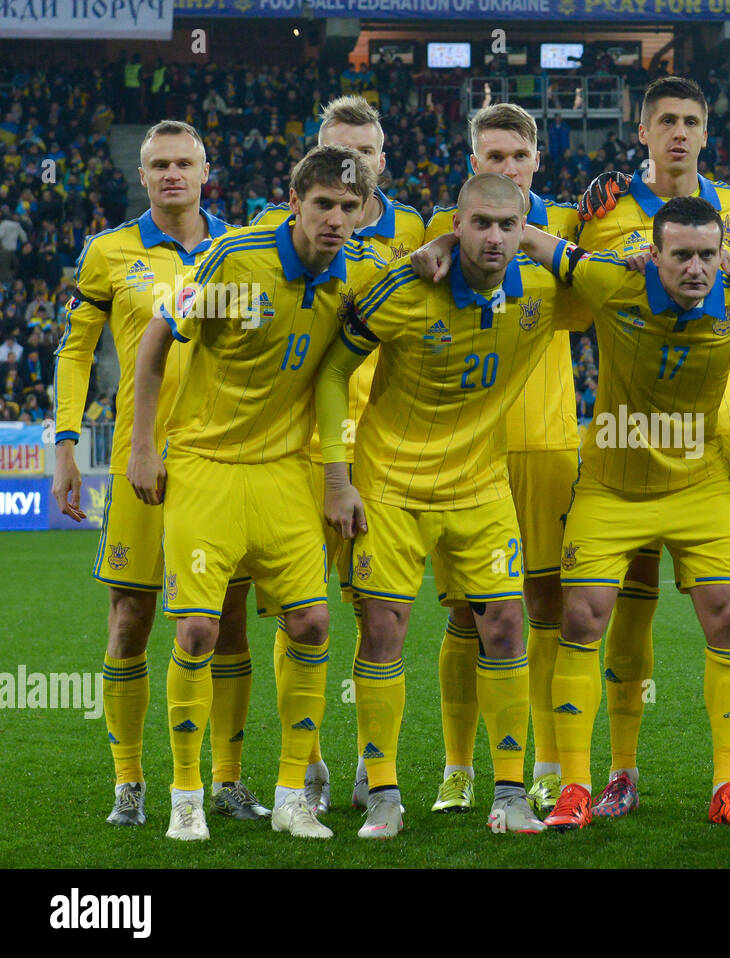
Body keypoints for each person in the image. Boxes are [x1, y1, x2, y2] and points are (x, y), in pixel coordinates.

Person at [490, 196, 730, 829]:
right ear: (653, 254)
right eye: (680, 254)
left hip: (699, 485)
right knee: (581, 616)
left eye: (708, 254)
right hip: (611, 483)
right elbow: (529, 237)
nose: (696, 268)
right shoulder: (610, 277)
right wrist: (439, 247)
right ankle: (576, 788)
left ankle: (726, 786)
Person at [126, 144, 386, 841]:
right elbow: (157, 339)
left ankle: (293, 795)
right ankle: (186, 795)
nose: (335, 218)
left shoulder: (361, 270)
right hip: (207, 465)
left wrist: (441, 250)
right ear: (294, 201)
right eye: (323, 203)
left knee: (311, 625)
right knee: (198, 629)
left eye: (348, 207)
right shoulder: (234, 260)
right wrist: (143, 446)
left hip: (282, 475)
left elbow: (427, 279)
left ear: (365, 212)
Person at [318, 172, 587, 837]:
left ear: (524, 230)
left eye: (507, 225)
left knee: (505, 625)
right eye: (479, 224)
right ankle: (382, 793)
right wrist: (336, 479)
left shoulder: (547, 293)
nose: (494, 237)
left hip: (480, 486)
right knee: (383, 630)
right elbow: (328, 371)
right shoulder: (404, 290)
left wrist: (542, 241)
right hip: (390, 486)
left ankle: (511, 792)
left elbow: (619, 283)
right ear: (456, 225)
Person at [52, 120, 265, 830]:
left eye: (184, 163)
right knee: (130, 617)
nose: (172, 173)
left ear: (207, 171)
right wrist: (64, 445)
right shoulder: (109, 252)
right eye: (158, 165)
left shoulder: (241, 249)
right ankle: (130, 783)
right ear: (141, 176)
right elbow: (76, 353)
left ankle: (229, 782)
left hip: (224, 459)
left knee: (228, 620)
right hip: (138, 463)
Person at [572, 76, 730, 817]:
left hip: (714, 423)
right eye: (666, 121)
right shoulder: (603, 210)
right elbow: (560, 280)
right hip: (627, 420)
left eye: (692, 120)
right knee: (627, 603)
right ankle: (620, 770)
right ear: (643, 129)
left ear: (707, 130)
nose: (680, 132)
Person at [252, 94, 426, 815]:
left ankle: (370, 766)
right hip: (296, 452)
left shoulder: (416, 230)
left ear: (383, 159)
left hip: (381, 452)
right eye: (337, 149)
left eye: (364, 150)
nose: (352, 162)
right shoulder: (275, 233)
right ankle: (310, 761)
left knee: (381, 618)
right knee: (303, 615)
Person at [421, 103, 582, 818]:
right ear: (472, 161)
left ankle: (546, 766)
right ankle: (458, 769)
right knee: (466, 614)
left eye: (518, 156)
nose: (506, 167)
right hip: (470, 451)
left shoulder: (575, 228)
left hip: (549, 442)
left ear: (537, 161)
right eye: (493, 156)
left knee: (546, 606)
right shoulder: (446, 228)